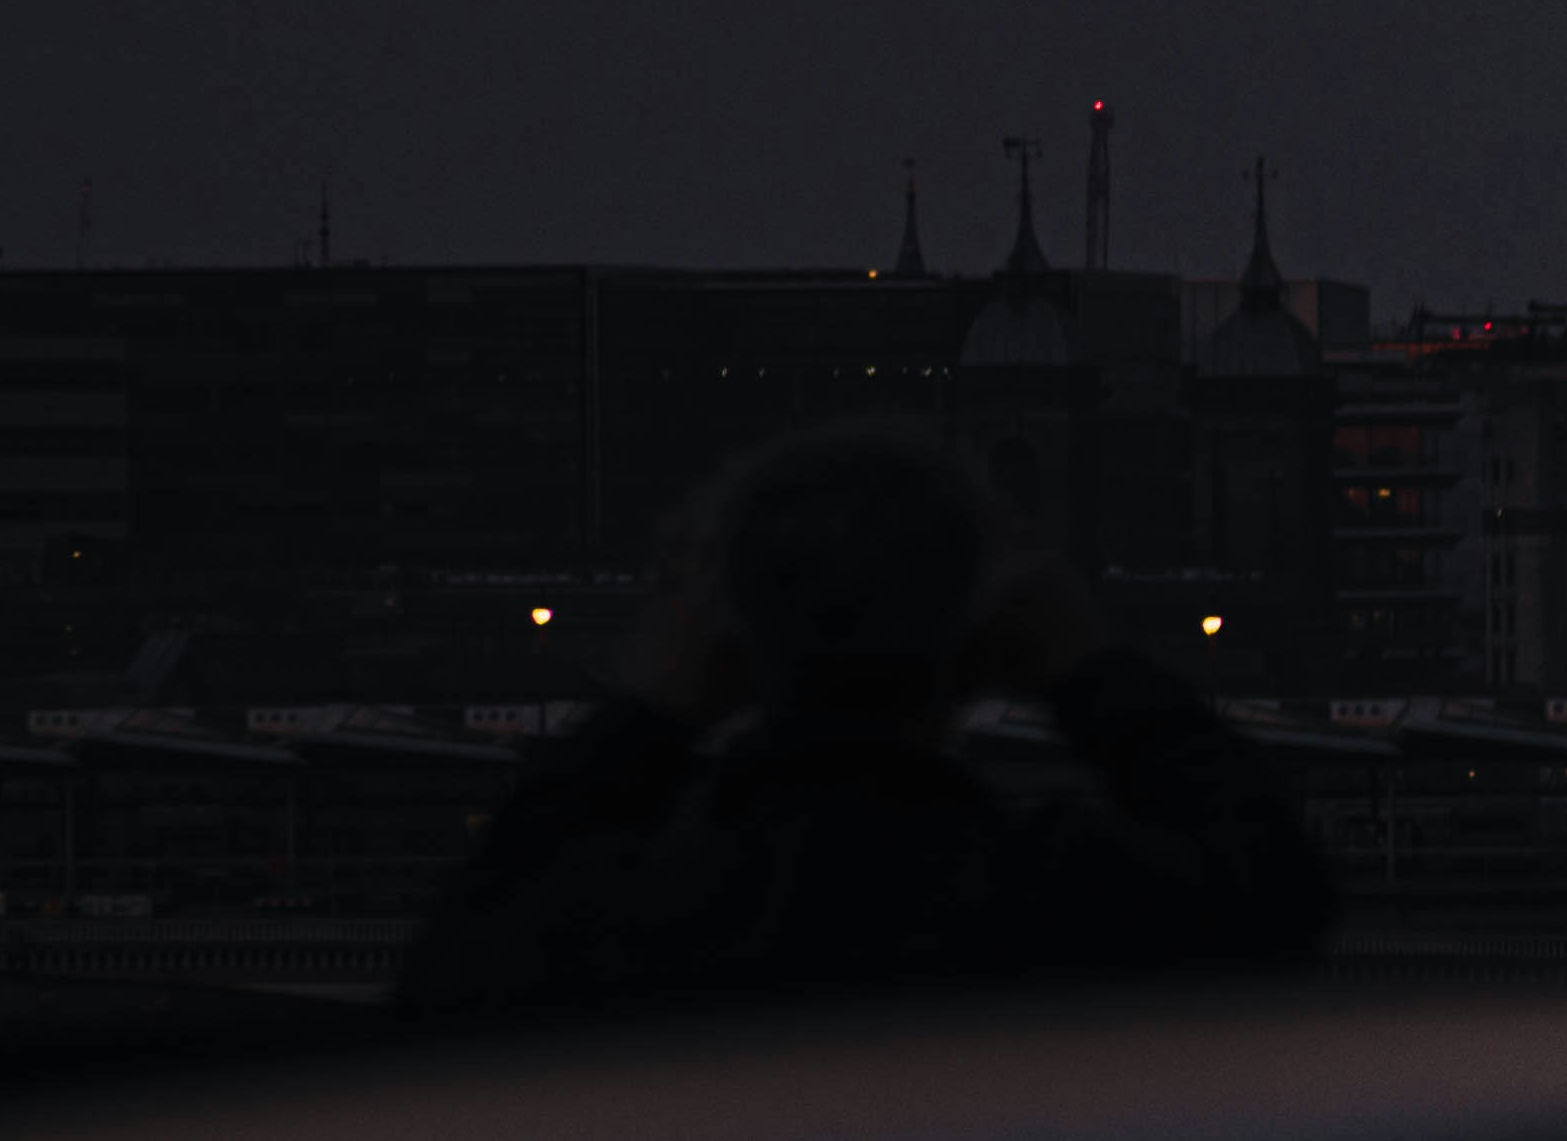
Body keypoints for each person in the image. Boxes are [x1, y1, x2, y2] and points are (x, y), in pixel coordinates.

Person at [400, 424, 1332, 1012]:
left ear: (729, 641)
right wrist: (1084, 661)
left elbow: (447, 967)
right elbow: (1275, 883)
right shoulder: (1057, 899)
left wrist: (649, 706)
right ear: (978, 644)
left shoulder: (632, 912)